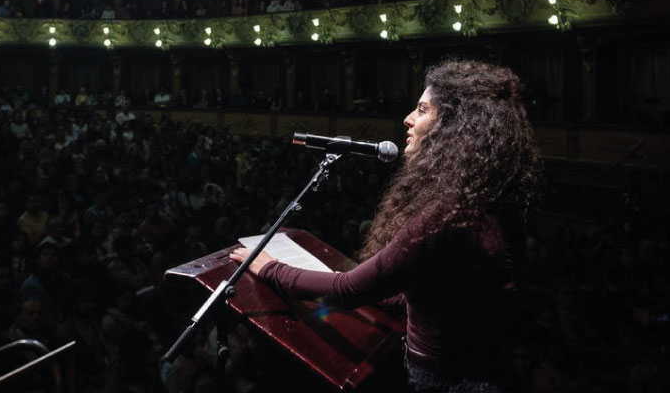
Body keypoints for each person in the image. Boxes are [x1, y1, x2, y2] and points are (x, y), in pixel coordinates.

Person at [229, 60, 541, 391]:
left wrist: (270, 268)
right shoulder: (486, 202)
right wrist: (379, 289)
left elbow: (346, 290)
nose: (407, 119)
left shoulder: (445, 216)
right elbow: (432, 295)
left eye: (421, 110)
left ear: (453, 127)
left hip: (442, 381)